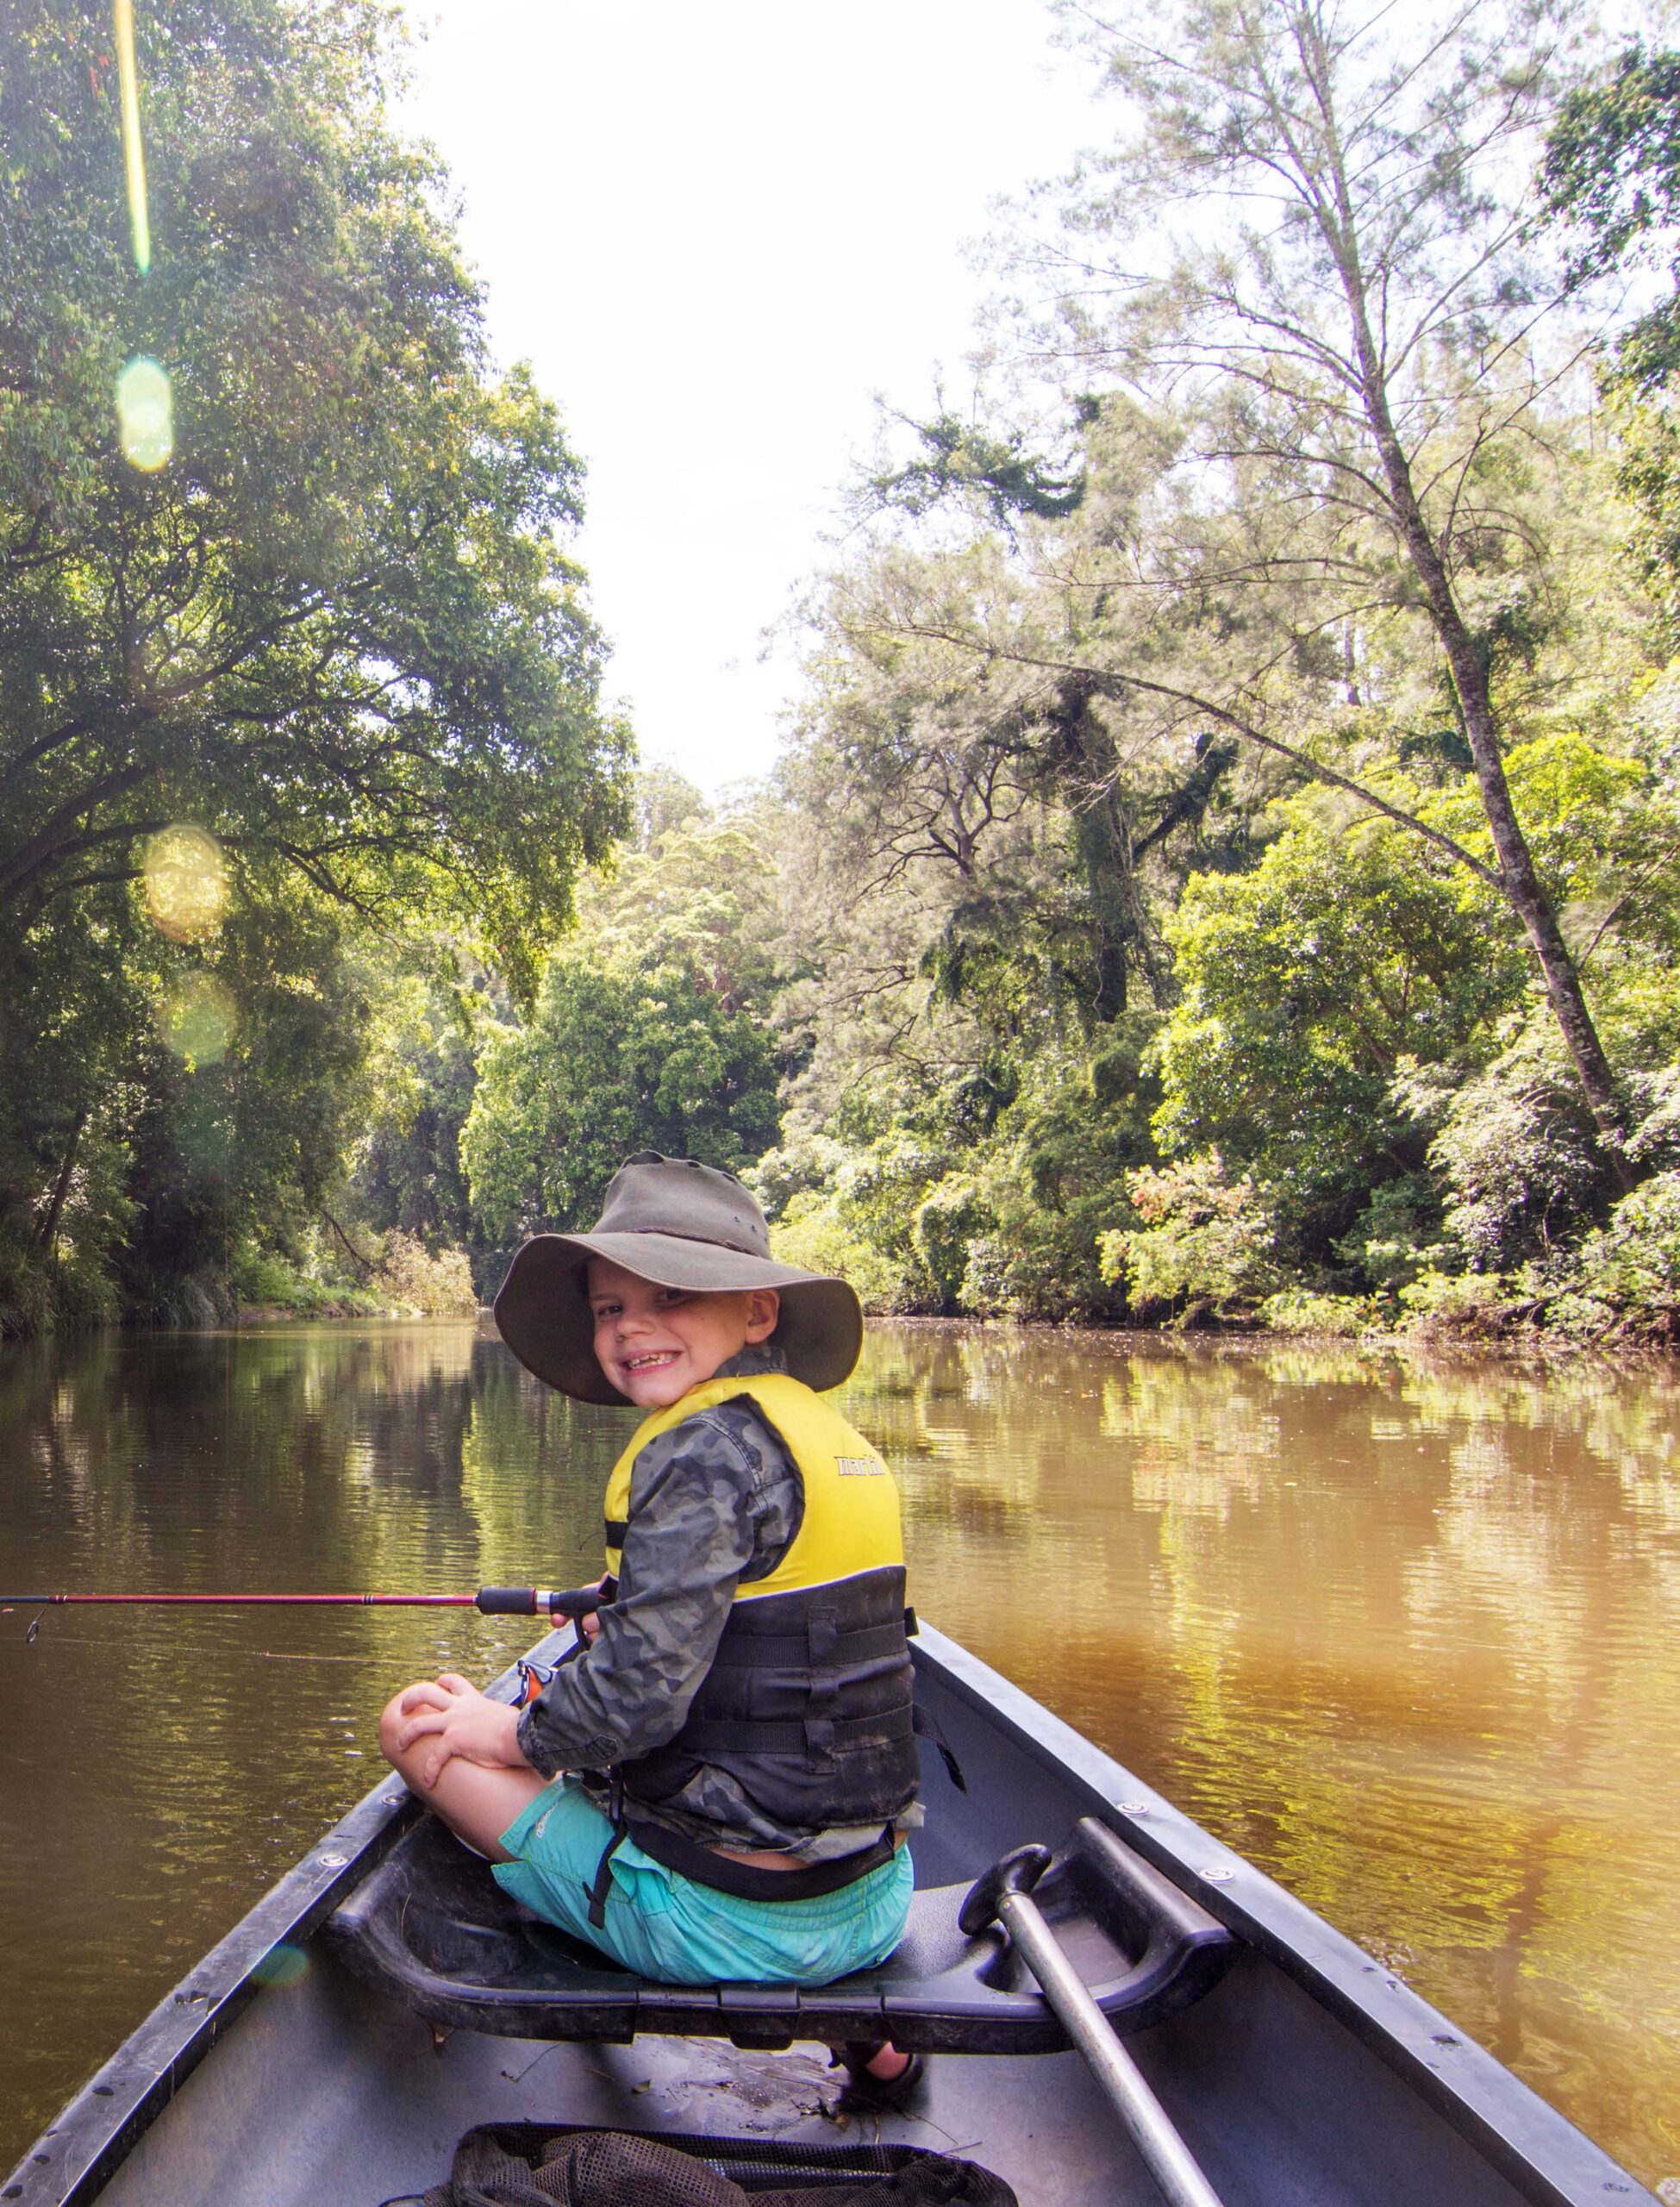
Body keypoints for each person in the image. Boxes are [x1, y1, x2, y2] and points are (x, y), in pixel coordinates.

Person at [378, 1151, 924, 2104]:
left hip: (726, 1921)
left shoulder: (695, 1453)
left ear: (758, 1309)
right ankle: (875, 2041)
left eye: (670, 1295)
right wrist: (625, 1616)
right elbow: (776, 1638)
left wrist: (500, 1730)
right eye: (608, 1308)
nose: (632, 1327)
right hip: (875, 1900)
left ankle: (562, 1918)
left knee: (418, 1729)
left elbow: (638, 1696)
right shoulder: (820, 1435)